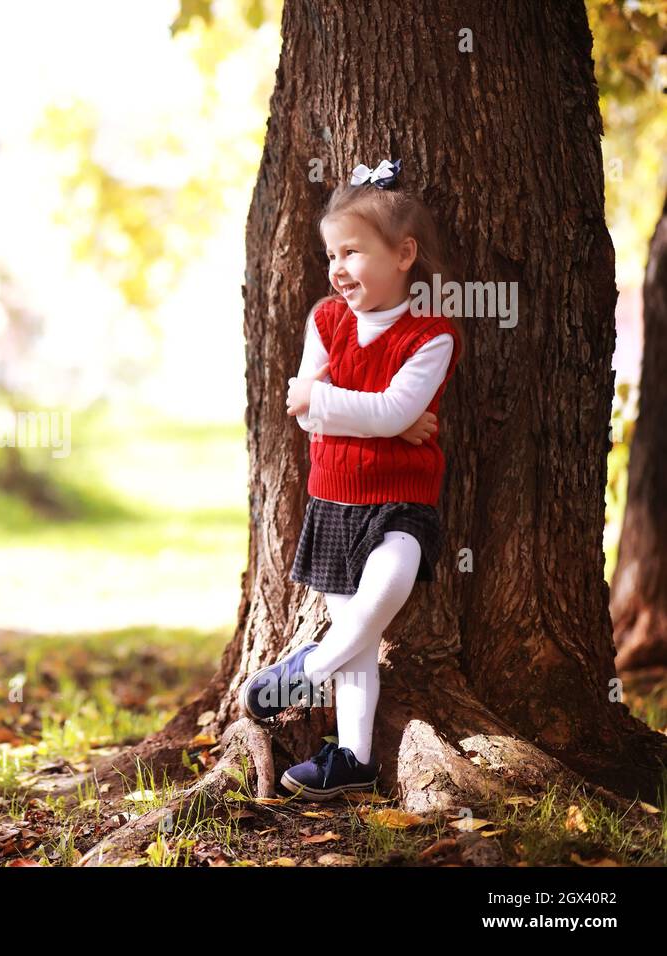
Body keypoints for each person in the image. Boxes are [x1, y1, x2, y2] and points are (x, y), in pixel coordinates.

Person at [239, 157, 464, 801]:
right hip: (334, 503)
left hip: (400, 503)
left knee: (383, 593)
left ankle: (303, 670)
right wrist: (385, 419)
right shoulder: (324, 321)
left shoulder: (432, 336)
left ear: (404, 254)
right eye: (331, 252)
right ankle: (354, 759)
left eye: (354, 251)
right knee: (359, 640)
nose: (337, 267)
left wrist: (343, 406)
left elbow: (359, 405)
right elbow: (305, 412)